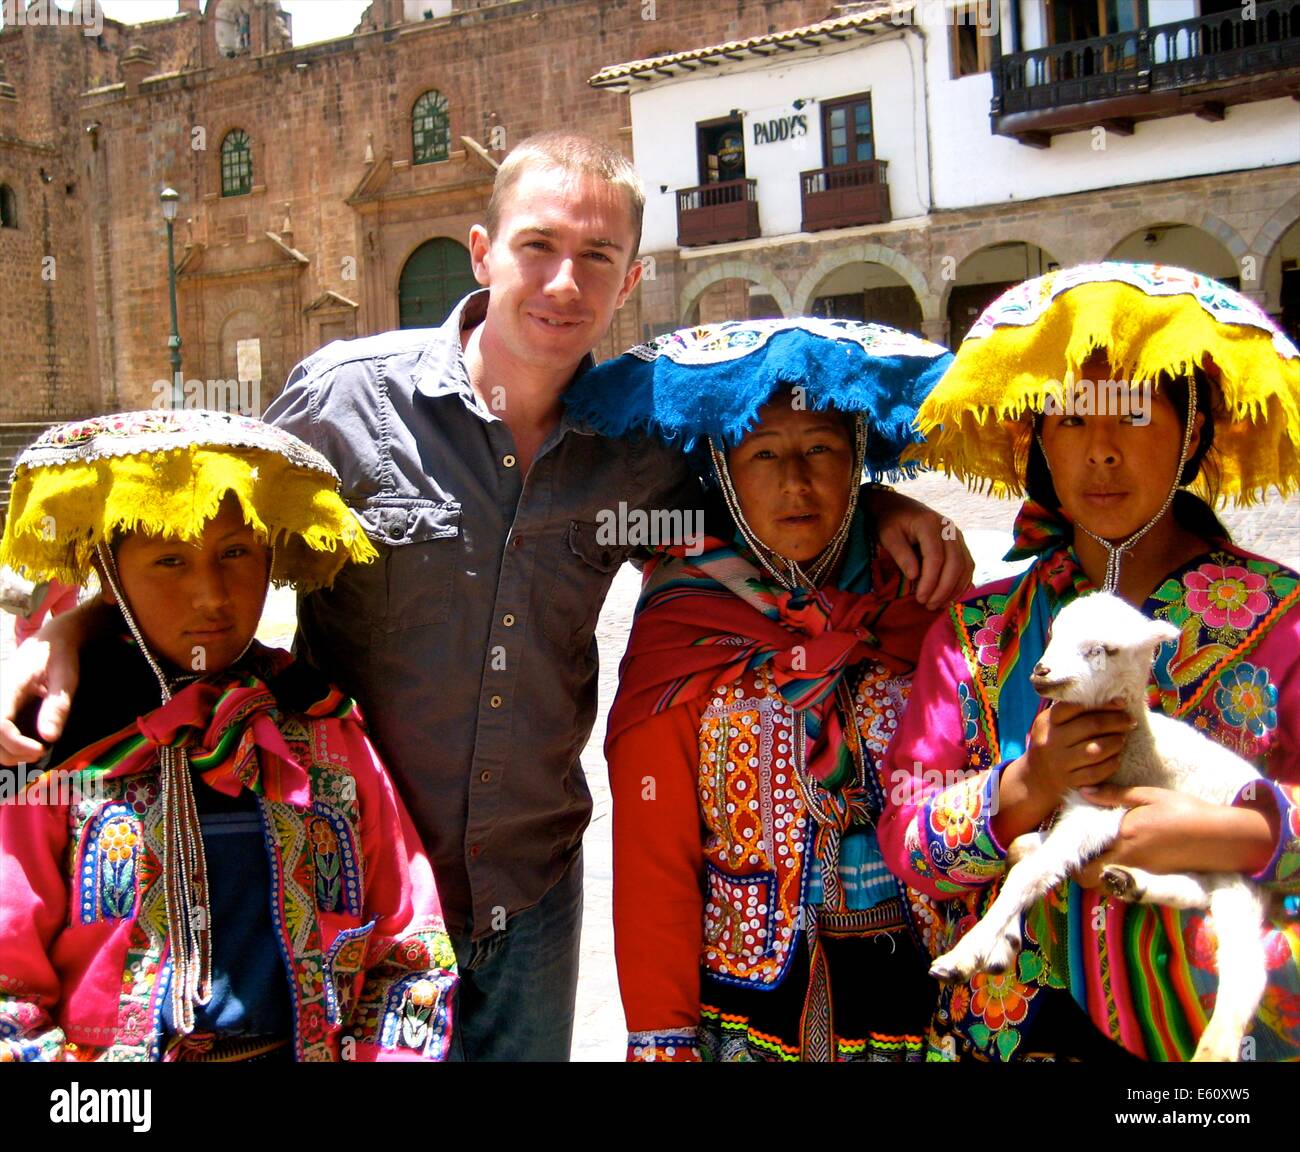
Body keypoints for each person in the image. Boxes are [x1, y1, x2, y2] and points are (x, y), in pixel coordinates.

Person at [0, 133, 971, 1061]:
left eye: (597, 257)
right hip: (357, 886)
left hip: (531, 893)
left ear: (630, 279)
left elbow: (764, 503)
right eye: (537, 246)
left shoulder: (638, 449)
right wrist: (76, 627)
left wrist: (879, 500)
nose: (563, 283)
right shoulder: (345, 402)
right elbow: (210, 519)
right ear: (482, 252)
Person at [878, 262, 1300, 1061]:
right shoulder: (976, 636)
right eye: (1070, 420)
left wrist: (1234, 832)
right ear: (1034, 438)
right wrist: (1025, 786)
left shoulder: (1284, 624)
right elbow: (907, 837)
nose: (1101, 451)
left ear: (1195, 431)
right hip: (1011, 1034)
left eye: (1134, 416)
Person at [0, 410, 458, 1062]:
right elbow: (7, 985)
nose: (210, 594)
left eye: (236, 553)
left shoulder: (323, 729)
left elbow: (409, 947)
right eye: (169, 560)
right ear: (111, 574)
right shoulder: (55, 752)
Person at [563, 318, 959, 1060]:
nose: (795, 482)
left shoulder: (919, 604)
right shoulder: (683, 630)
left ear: (859, 464)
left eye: (821, 450)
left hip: (924, 997)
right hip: (746, 1009)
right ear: (724, 472)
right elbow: (655, 866)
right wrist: (662, 1039)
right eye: (765, 454)